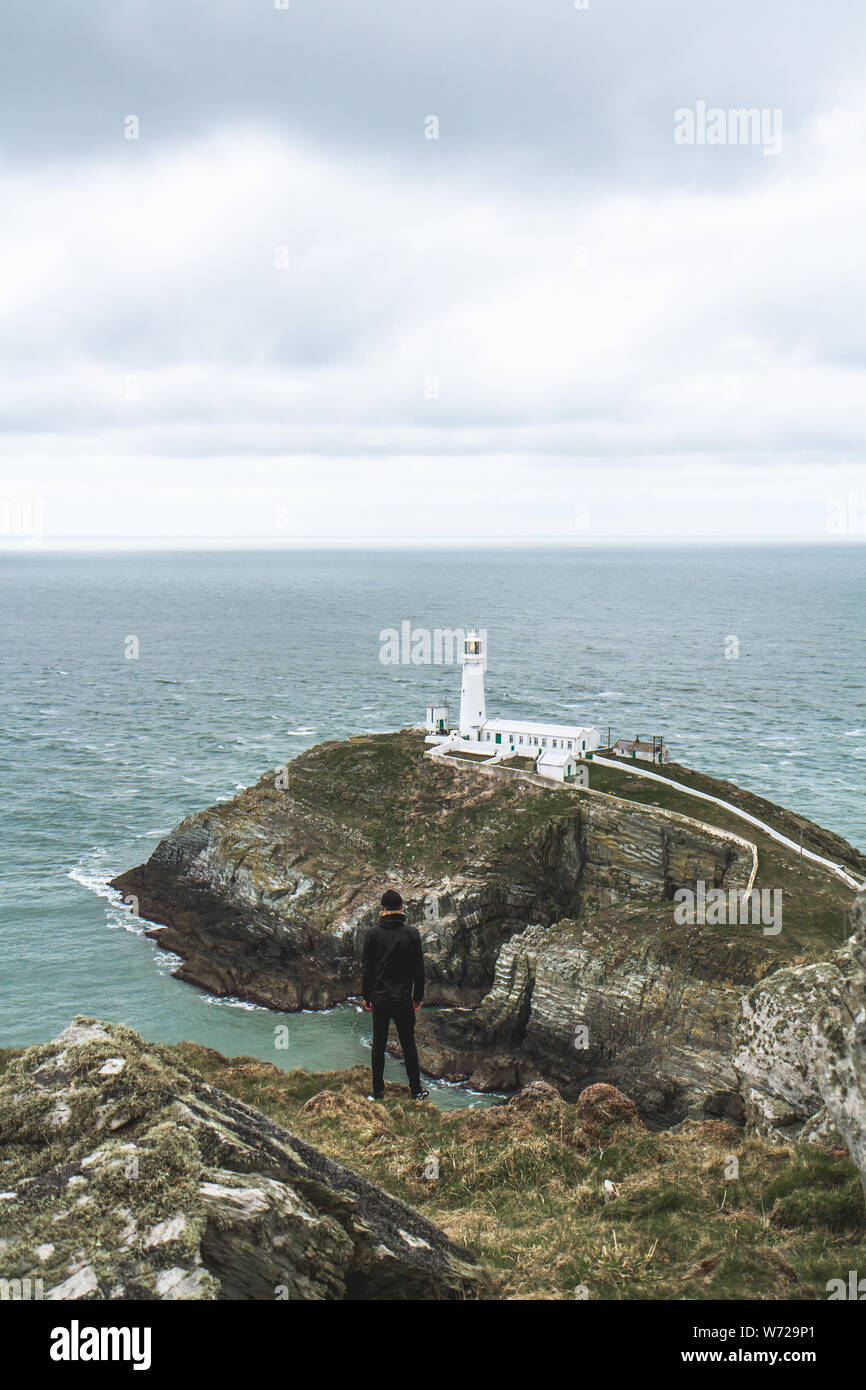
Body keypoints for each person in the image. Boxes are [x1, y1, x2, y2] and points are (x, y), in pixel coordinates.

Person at [361, 889, 429, 1101]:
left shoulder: (373, 934)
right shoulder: (411, 934)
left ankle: (378, 1091)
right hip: (403, 999)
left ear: (382, 909)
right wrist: (418, 996)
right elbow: (419, 969)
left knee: (378, 1044)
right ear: (401, 908)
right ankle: (416, 1091)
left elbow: (367, 969)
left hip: (380, 998)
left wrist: (366, 996)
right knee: (408, 1044)